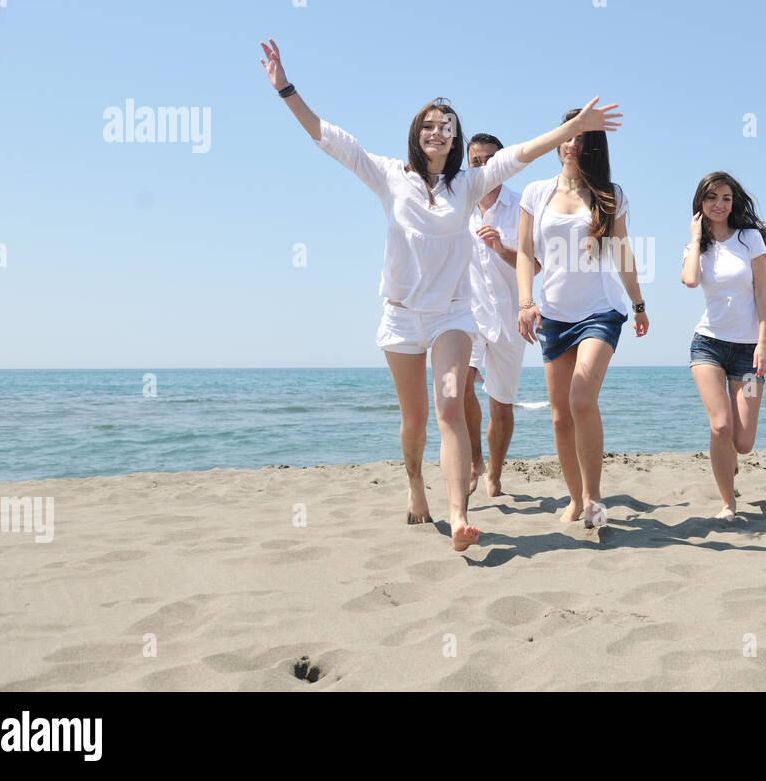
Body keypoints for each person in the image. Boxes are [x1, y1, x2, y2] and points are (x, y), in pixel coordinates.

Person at [260, 39, 621, 551]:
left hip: (454, 315)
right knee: (415, 421)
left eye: (447, 128)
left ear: (456, 140)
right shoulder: (390, 176)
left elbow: (522, 153)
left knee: (451, 407)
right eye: (429, 126)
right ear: (416, 135)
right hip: (403, 316)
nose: (437, 132)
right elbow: (328, 138)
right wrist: (285, 88)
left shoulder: (470, 184)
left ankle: (458, 516)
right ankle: (415, 485)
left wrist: (572, 129)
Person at [516, 108, 648, 529]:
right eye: (568, 136)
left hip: (600, 311)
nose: (572, 145)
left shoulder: (610, 194)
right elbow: (523, 253)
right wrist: (525, 301)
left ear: (593, 146)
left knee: (580, 399)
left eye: (582, 138)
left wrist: (640, 303)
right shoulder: (535, 192)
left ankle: (593, 499)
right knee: (559, 415)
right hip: (553, 314)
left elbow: (623, 252)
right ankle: (574, 499)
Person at [680, 173, 766, 521]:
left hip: (748, 351)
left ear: (733, 202)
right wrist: (695, 239)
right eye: (711, 198)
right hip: (707, 346)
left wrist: (763, 344)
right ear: (701, 204)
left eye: (725, 197)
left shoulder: (749, 238)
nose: (719, 204)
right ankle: (728, 503)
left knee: (743, 442)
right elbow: (690, 280)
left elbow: (762, 293)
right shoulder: (696, 247)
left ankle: (730, 464)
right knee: (720, 426)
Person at [463, 132, 535, 498]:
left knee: (501, 407)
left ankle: (494, 472)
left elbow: (535, 265)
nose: (483, 167)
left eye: (491, 160)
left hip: (510, 319)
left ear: (503, 163)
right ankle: (475, 460)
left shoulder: (522, 206)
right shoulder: (457, 203)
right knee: (459, 387)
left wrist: (500, 247)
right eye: (476, 161)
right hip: (466, 316)